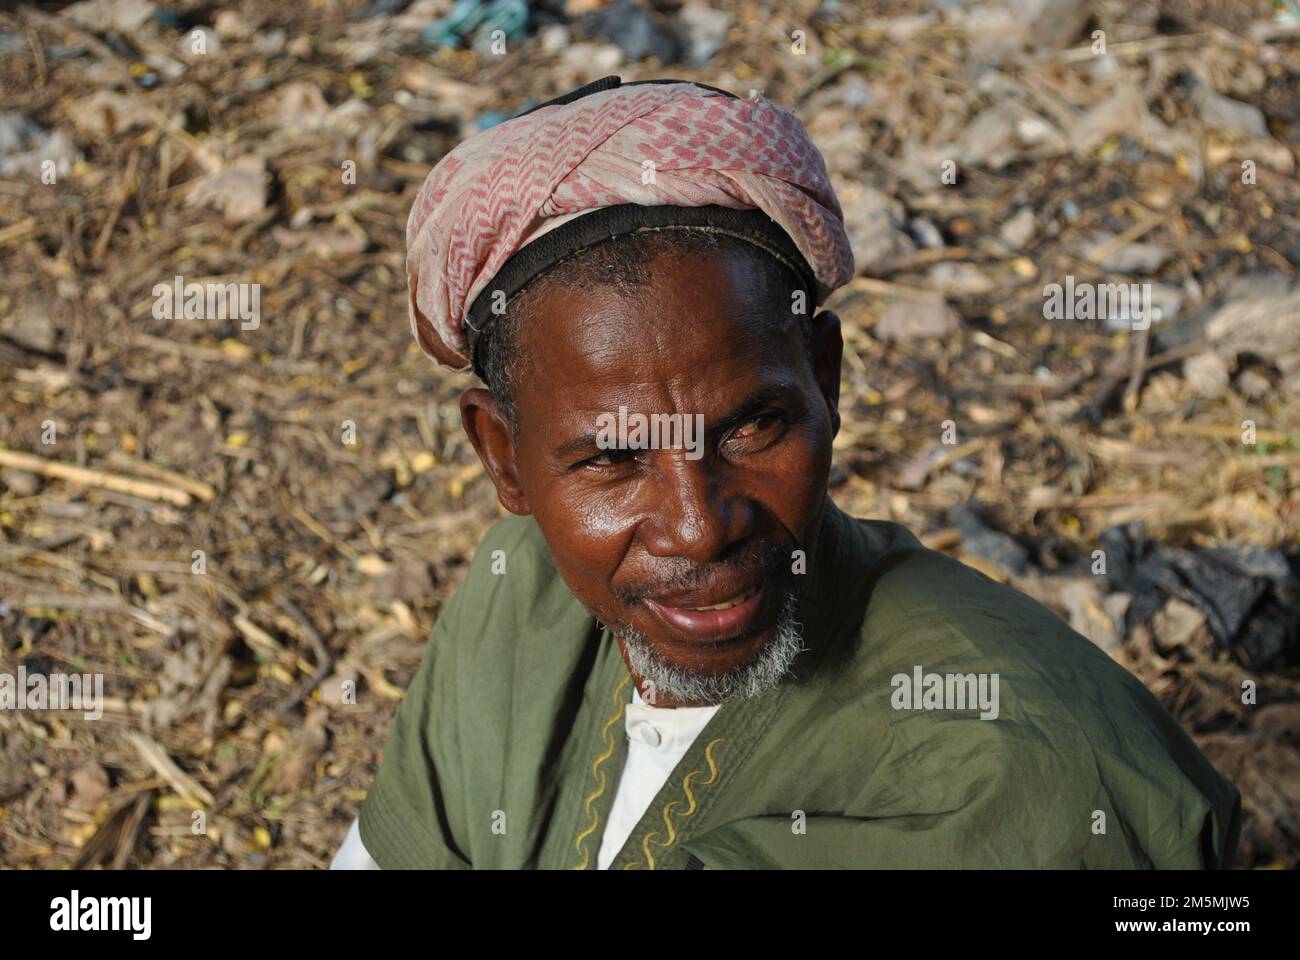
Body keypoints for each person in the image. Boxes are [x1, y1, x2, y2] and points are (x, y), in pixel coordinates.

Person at [331, 76, 1239, 870]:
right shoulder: (515, 609)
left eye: (753, 427)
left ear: (826, 381)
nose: (699, 526)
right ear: (502, 457)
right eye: (612, 458)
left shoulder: (1030, 769)